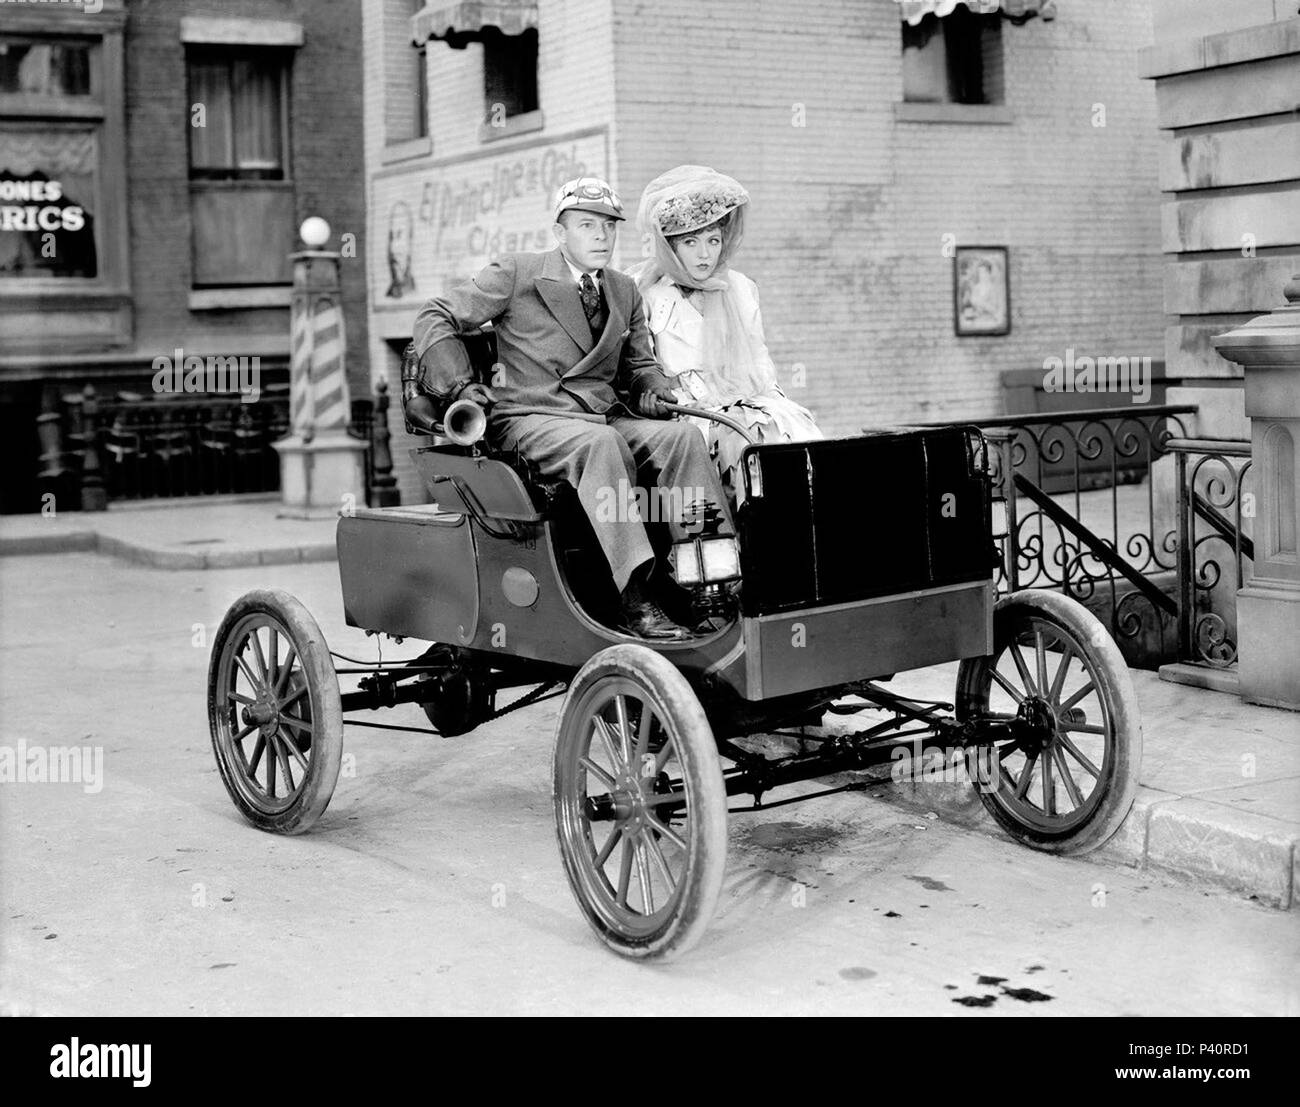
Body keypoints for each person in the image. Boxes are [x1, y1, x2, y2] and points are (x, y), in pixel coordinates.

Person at [410, 176, 733, 640]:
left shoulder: (623, 290)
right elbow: (434, 315)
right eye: (587, 226)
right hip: (529, 418)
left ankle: (709, 581)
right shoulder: (518, 272)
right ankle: (635, 597)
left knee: (681, 437)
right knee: (601, 445)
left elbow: (641, 364)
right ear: (561, 233)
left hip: (603, 415)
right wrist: (460, 383)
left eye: (608, 227)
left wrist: (652, 388)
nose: (601, 237)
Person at [632, 166, 820, 506]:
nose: (705, 254)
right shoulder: (646, 295)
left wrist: (769, 407)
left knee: (800, 440)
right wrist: (650, 396)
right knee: (740, 448)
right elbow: (642, 368)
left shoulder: (741, 289)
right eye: (691, 243)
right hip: (690, 413)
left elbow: (760, 362)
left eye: (713, 241)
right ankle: (740, 544)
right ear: (672, 248)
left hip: (748, 400)